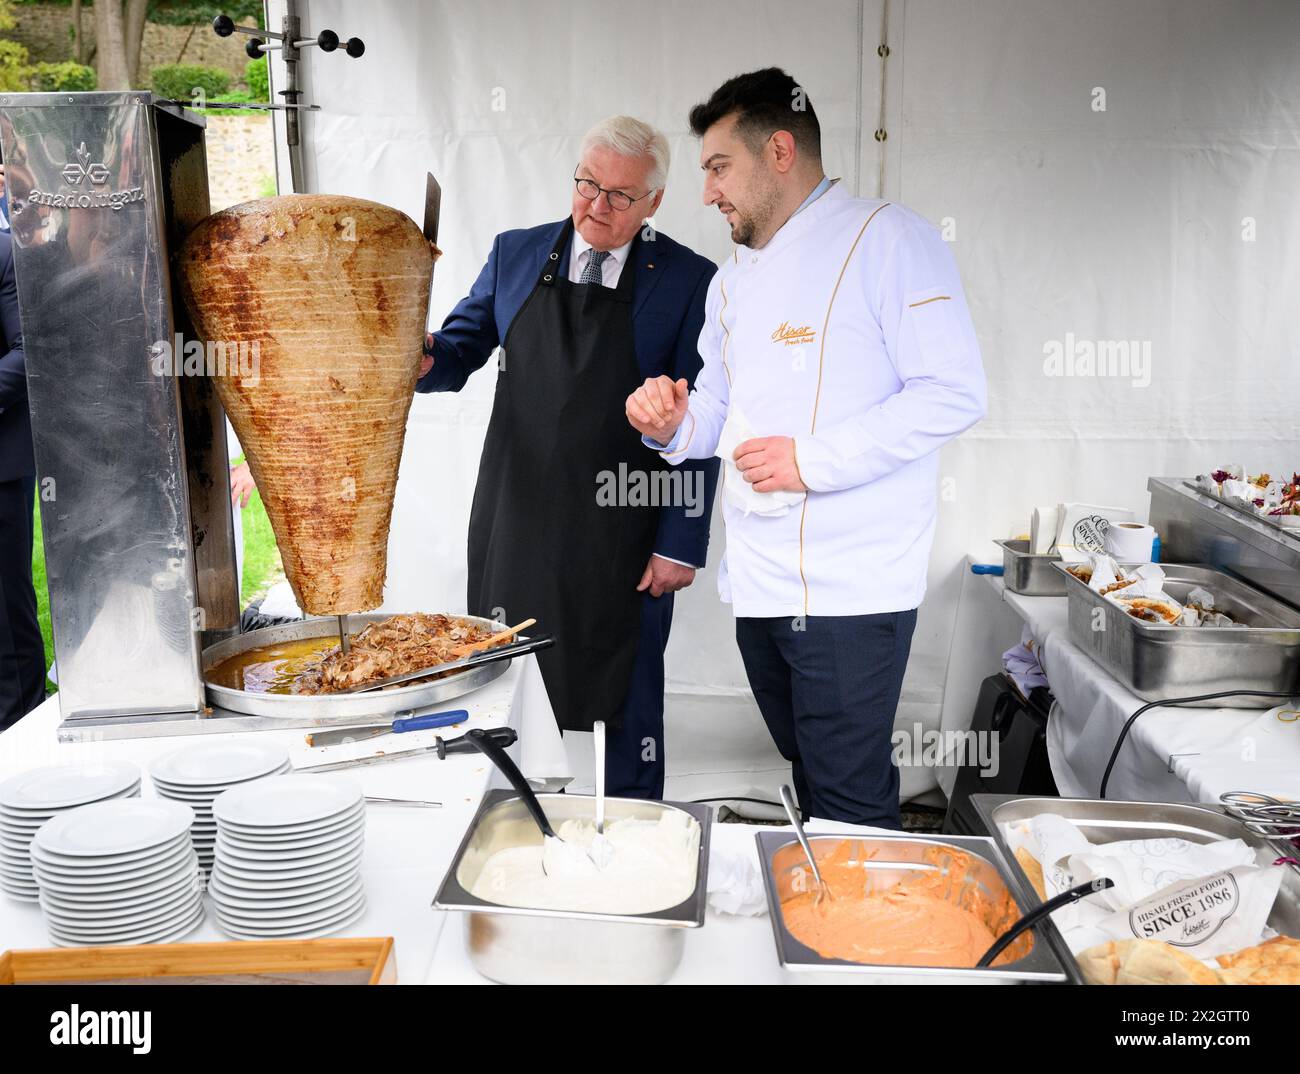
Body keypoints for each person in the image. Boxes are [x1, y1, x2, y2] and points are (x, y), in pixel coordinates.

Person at [626, 69, 987, 827]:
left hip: (851, 590)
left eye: (719, 168)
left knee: (851, 799)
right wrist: (669, 428)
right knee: (815, 780)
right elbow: (719, 412)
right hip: (761, 588)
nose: (708, 192)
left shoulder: (890, 240)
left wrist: (810, 460)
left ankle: (870, 937)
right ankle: (824, 922)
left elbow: (953, 392)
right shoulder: (731, 283)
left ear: (780, 150)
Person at [419, 116, 719, 798]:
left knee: (630, 689)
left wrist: (681, 542)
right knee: (504, 679)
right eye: (588, 185)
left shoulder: (688, 280)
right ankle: (507, 813)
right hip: (516, 516)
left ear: (655, 203)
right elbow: (458, 351)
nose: (597, 206)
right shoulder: (517, 252)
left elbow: (703, 417)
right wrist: (420, 355)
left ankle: (639, 834)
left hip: (625, 527)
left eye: (620, 195)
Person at [0, 228, 46, 728]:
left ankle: (18, 727)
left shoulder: (6, 253)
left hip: (1, 465)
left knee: (6, 615)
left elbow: (28, 348)